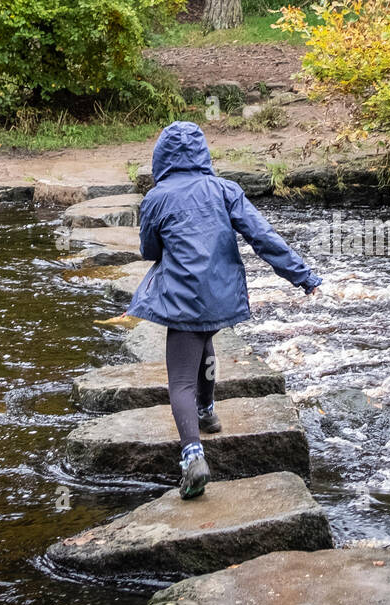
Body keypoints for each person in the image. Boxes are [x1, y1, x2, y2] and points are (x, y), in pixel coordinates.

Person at [126, 121, 321, 499]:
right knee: (205, 340)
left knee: (180, 379)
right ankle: (208, 409)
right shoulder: (225, 190)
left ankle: (192, 457)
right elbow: (263, 237)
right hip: (221, 295)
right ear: (202, 153)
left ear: (161, 157)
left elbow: (149, 251)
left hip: (182, 298)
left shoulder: (156, 198)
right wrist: (303, 276)